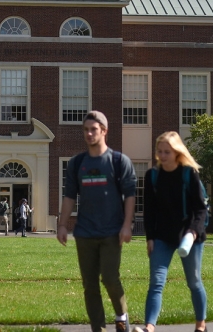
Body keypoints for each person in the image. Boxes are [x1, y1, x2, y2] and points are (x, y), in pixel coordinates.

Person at [59, 110, 137, 332]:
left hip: (111, 232)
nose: (89, 133)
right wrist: (63, 225)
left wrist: (126, 225)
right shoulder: (77, 163)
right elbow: (69, 196)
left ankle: (121, 316)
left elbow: (130, 195)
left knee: (110, 278)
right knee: (89, 285)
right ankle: (98, 329)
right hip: (85, 233)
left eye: (93, 129)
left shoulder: (118, 161)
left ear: (104, 131)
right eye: (85, 130)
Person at [138, 131, 208, 332]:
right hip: (162, 236)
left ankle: (200, 324)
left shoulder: (188, 174)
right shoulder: (153, 176)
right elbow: (149, 210)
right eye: (159, 151)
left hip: (190, 236)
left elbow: (200, 209)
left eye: (166, 152)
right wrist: (150, 238)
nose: (162, 155)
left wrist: (193, 232)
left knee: (194, 282)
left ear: (177, 152)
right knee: (156, 283)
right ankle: (149, 326)